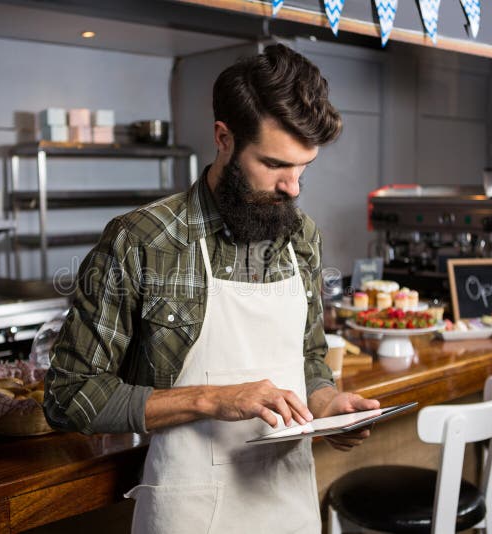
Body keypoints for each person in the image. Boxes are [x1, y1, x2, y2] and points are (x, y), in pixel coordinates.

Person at [44, 43, 380, 533]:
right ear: (224, 138)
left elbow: (308, 357)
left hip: (290, 505)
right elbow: (69, 396)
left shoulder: (302, 237)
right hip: (191, 512)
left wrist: (327, 403)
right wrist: (211, 399)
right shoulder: (143, 240)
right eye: (275, 165)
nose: (293, 187)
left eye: (303, 167)